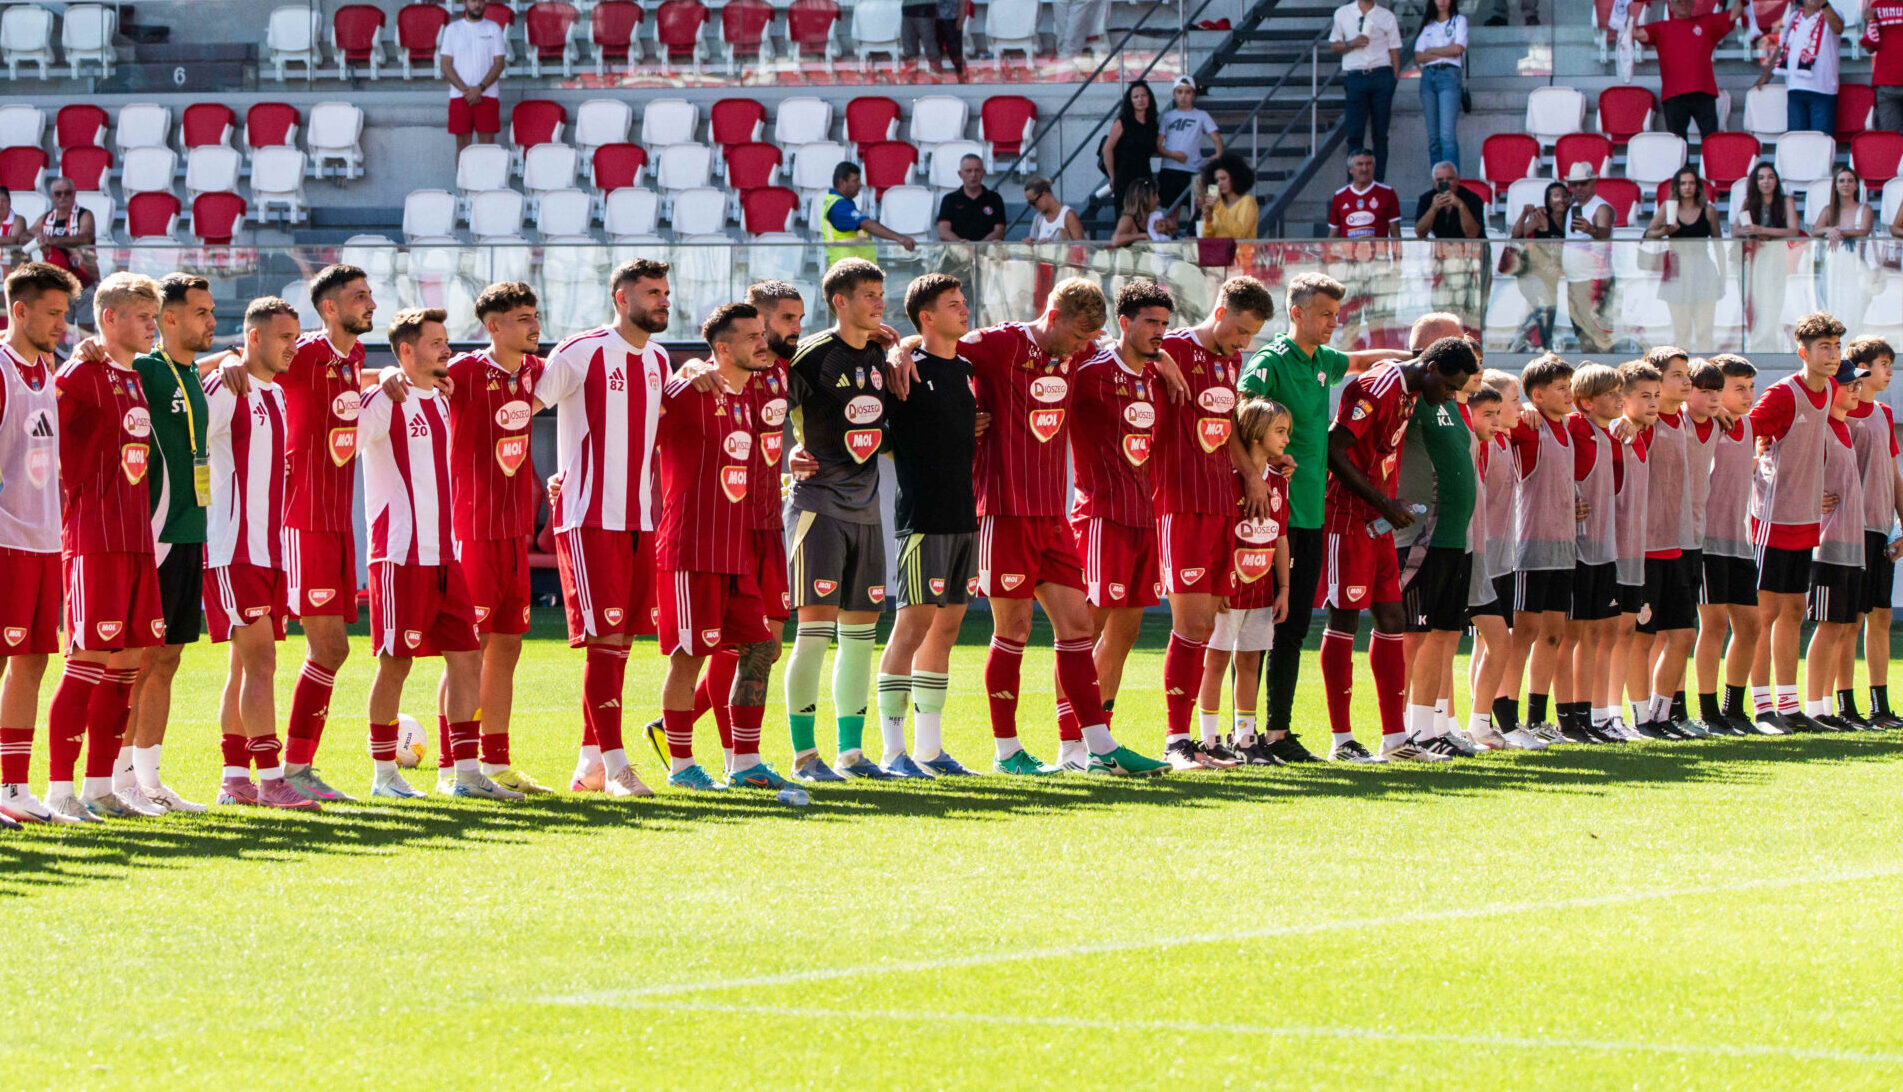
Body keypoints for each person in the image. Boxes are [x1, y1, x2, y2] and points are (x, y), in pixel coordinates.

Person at [956, 278, 1169, 776]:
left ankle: (1095, 746)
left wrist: (1167, 360)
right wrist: (908, 359)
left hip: (1054, 516)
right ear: (1052, 316)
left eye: (1089, 339)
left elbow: (1130, 349)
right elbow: (935, 348)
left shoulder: (1078, 354)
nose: (1082, 347)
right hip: (1004, 511)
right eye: (1077, 336)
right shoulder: (997, 344)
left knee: (1076, 627)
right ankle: (1007, 753)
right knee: (1013, 628)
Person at [536, 259, 714, 797]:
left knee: (621, 644)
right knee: (603, 641)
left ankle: (590, 762)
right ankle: (617, 767)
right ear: (621, 298)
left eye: (665, 291)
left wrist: (689, 374)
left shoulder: (660, 358)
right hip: (588, 518)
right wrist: (555, 473)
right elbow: (523, 406)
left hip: (639, 519)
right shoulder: (580, 351)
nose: (663, 300)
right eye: (651, 293)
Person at [1235, 273, 1402, 763]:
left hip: (1311, 513)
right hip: (1270, 511)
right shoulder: (1269, 361)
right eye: (1326, 314)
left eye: (1337, 314)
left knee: (1292, 624)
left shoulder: (1323, 361)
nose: (1334, 322)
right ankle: (1242, 732)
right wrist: (1257, 472)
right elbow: (1244, 411)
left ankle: (1276, 732)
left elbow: (1358, 361)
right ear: (1297, 313)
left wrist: (1411, 359)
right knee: (1254, 625)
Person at [358, 308, 518, 801]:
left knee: (469, 659)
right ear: (405, 351)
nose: (446, 350)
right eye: (434, 343)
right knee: (395, 664)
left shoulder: (443, 401)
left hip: (447, 557)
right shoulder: (384, 401)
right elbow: (341, 444)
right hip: (400, 556)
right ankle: (385, 776)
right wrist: (381, 381)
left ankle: (465, 775)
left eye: (447, 341)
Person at [651, 303, 794, 792]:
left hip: (738, 550)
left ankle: (745, 760)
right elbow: (636, 436)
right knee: (688, 657)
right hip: (692, 549)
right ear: (722, 348)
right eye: (753, 337)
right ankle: (681, 766)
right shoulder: (687, 391)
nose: (763, 343)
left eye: (763, 334)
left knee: (760, 647)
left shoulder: (745, 398)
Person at [1318, 336, 1480, 761]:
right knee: (1345, 618)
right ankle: (1342, 740)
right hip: (1347, 518)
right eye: (1448, 386)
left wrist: (1389, 505)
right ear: (1431, 370)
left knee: (1393, 616)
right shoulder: (1380, 386)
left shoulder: (1411, 389)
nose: (1448, 396)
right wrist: (1383, 501)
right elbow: (1333, 448)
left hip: (1379, 523)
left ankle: (1395, 740)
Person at [46, 273, 167, 820]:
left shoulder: (132, 377)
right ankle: (57, 791)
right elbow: (40, 438)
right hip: (93, 541)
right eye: (142, 316)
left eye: (154, 316)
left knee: (128, 664)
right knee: (88, 662)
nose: (152, 325)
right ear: (109, 318)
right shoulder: (80, 374)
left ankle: (100, 787)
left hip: (137, 541)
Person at [782, 259, 897, 782]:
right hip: (818, 509)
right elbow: (766, 408)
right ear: (840, 302)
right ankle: (806, 757)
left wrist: (904, 347)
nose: (878, 302)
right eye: (868, 294)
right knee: (813, 633)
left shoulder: (880, 354)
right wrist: (787, 453)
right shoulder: (812, 358)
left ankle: (851, 754)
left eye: (880, 293)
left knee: (860, 637)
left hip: (867, 513)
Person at [1153, 277, 1273, 769]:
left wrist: (1252, 475)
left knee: (1205, 625)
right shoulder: (1172, 344)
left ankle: (1195, 739)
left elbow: (1224, 431)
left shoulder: (1229, 360)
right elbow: (1107, 349)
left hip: (1219, 502)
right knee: (1188, 625)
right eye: (1240, 330)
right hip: (1177, 502)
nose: (1243, 343)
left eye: (1251, 336)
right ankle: (1175, 739)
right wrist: (1158, 359)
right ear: (1220, 308)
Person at [438, 282, 552, 794]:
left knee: (507, 647)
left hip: (514, 536)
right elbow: (411, 379)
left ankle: (495, 764)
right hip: (472, 532)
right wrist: (396, 374)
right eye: (524, 318)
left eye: (535, 315)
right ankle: (448, 766)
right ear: (494, 327)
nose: (534, 325)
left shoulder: (535, 372)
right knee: (469, 649)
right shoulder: (463, 371)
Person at [203, 297, 311, 809]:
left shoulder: (277, 394)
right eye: (284, 337)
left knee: (245, 668)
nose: (293, 345)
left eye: (296, 336)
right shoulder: (227, 386)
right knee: (262, 663)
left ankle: (234, 778)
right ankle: (269, 779)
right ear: (252, 337)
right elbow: (185, 442)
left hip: (268, 552)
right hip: (233, 548)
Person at [277, 265, 379, 803]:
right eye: (359, 297)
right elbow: (242, 363)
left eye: (369, 295)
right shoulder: (308, 352)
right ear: (330, 309)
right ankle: (289, 768)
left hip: (339, 524)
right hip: (303, 521)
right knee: (328, 648)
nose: (371, 304)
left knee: (332, 651)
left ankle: (293, 767)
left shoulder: (352, 357)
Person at [876, 274, 984, 777]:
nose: (964, 310)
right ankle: (892, 752)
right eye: (953, 305)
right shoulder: (905, 368)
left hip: (963, 517)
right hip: (922, 518)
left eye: (964, 303)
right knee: (911, 628)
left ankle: (929, 749)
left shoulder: (964, 368)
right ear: (926, 317)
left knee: (946, 630)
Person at [120, 273, 216, 814]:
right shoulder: (147, 370)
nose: (211, 320)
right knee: (137, 659)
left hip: (188, 530)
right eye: (201, 312)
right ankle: (117, 777)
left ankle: (150, 777)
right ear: (169, 319)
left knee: (169, 658)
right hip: (152, 535)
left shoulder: (192, 374)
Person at [1065, 286, 1165, 770]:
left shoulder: (1154, 375)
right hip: (1101, 516)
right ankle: (1071, 744)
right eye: (1151, 322)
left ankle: (1101, 736)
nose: (1159, 333)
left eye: (1165, 324)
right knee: (1084, 628)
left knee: (1124, 634)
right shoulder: (1088, 372)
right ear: (1123, 322)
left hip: (1144, 517)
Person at [0, 263, 80, 826]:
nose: (61, 324)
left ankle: (12, 787)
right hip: (5, 540)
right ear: (19, 310)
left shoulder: (47, 369)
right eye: (51, 313)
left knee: (30, 663)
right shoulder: (2, 370)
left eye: (65, 314)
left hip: (44, 541)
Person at [1749, 312, 1845, 733]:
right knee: (1762, 614)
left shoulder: (1833, 389)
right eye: (1825, 347)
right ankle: (1761, 707)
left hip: (1806, 518)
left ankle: (1788, 705)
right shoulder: (1782, 394)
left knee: (1792, 610)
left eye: (1837, 346)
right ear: (1802, 352)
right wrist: (1759, 466)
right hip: (1772, 517)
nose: (1833, 354)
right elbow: (1744, 434)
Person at [1391, 314, 1479, 755]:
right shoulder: (1410, 393)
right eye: (1456, 341)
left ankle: (1430, 728)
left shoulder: (1448, 398)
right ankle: (1398, 730)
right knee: (1412, 633)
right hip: (1422, 534)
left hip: (1454, 536)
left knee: (1444, 633)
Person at [1197, 399, 1292, 765]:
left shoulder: (1278, 483)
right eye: (1279, 432)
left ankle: (1246, 738)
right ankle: (1208, 739)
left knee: (1250, 659)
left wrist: (1283, 588)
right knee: (1216, 660)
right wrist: (1217, 580)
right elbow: (1215, 535)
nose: (1286, 440)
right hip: (1228, 588)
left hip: (1262, 589)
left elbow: (1280, 537)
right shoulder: (1226, 478)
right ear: (1254, 434)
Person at [1497, 353, 1575, 743]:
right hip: (1529, 546)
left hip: (1564, 547)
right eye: (1561, 388)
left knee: (1553, 635)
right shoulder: (1527, 426)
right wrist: (1521, 408)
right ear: (1538, 395)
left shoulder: (1570, 429)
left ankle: (1536, 718)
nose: (1570, 394)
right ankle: (1505, 718)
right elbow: (1494, 425)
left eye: (1570, 387)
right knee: (1523, 631)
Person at [1632, 348, 1703, 739]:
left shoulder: (1686, 421)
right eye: (1676, 374)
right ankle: (1640, 718)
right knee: (1642, 637)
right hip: (1644, 549)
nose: (1686, 380)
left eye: (1686, 373)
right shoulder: (1641, 425)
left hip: (1682, 546)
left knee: (1683, 634)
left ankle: (1663, 715)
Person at [1693, 354, 1765, 733]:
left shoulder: (1749, 425)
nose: (1749, 394)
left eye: (1751, 387)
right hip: (1706, 540)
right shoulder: (1706, 424)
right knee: (1714, 624)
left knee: (1750, 626)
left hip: (1739, 541)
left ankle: (1733, 708)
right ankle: (1707, 712)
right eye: (1739, 388)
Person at [1803, 361, 1868, 725]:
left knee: (1844, 627)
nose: (1856, 390)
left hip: (1851, 546)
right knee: (1828, 626)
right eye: (1849, 385)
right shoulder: (1820, 430)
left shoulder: (1844, 428)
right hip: (1827, 547)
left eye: (1858, 385)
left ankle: (1827, 707)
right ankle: (1814, 707)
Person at [1601, 359, 1657, 743]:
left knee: (1625, 632)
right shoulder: (1614, 434)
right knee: (1607, 634)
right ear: (1622, 400)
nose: (1654, 402)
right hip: (1610, 551)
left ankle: (1613, 715)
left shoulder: (1643, 433)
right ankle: (1600, 713)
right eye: (1644, 396)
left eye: (1658, 395)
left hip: (1635, 552)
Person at [1633, 0, 1746, 140]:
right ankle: (1683, 164)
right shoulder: (1660, 28)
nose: (1683, 4)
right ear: (1670, 5)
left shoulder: (1707, 23)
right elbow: (1638, 34)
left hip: (1703, 92)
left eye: (1687, 1)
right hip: (1673, 95)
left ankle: (1710, 163)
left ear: (1693, 4)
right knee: (1677, 144)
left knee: (1711, 140)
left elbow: (1733, 15)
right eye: (1679, 1)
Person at [1645, 166, 1725, 353]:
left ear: (1697, 186)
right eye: (1683, 183)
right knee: (1681, 330)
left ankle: (1707, 375)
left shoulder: (1708, 211)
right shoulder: (1668, 207)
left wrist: (1723, 275)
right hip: (1677, 268)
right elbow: (1648, 233)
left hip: (1703, 268)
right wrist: (1664, 231)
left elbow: (1719, 245)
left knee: (1705, 329)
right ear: (1677, 187)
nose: (1687, 187)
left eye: (1691, 183)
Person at [1329, 0, 1403, 181]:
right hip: (1356, 76)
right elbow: (1334, 45)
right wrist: (1351, 43)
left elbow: (1394, 50)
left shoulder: (1386, 16)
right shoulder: (1343, 13)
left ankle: (1378, 184)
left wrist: (1393, 78)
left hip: (1381, 74)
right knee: (1354, 133)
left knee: (1380, 134)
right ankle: (1353, 185)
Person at [1755, 0, 1844, 135]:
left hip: (1822, 90)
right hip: (1795, 88)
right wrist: (1767, 74)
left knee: (1820, 143)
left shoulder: (1834, 13)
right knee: (1796, 141)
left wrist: (1824, 5)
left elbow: (1838, 28)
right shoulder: (1793, 17)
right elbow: (1781, 47)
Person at [1560, 162, 1614, 354]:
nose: (1578, 188)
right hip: (1576, 280)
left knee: (1598, 334)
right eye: (1574, 185)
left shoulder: (1601, 208)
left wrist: (1590, 229)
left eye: (1583, 184)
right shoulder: (1573, 207)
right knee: (1582, 332)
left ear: (1592, 183)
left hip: (1594, 279)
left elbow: (1605, 233)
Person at [1509, 181, 1570, 352]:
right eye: (1556, 196)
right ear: (1548, 200)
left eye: (1564, 195)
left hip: (1552, 276)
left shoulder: (1570, 219)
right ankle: (1542, 348)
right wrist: (1524, 214)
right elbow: (1517, 235)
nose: (1561, 200)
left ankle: (1523, 340)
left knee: (1548, 314)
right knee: (1545, 311)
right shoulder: (1542, 218)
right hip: (1533, 274)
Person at [822, 162, 919, 268]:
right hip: (848, 271)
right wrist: (900, 238)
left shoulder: (840, 202)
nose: (859, 184)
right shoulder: (839, 206)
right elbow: (866, 224)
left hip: (854, 269)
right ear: (842, 182)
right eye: (855, 180)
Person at [440, 0, 507, 153]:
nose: (477, 5)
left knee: (487, 146)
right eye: (473, 0)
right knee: (463, 147)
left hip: (487, 95)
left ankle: (487, 178)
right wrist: (467, 91)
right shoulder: (452, 29)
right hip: (460, 96)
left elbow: (499, 64)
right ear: (464, 2)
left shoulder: (493, 28)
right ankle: (463, 178)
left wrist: (480, 88)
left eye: (480, 1)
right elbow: (445, 65)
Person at [1414, 0, 1469, 172]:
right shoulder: (1428, 25)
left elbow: (1458, 49)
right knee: (1433, 138)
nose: (1442, 2)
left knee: (1447, 136)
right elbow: (1418, 57)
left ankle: (1451, 183)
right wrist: (1445, 50)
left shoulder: (1458, 20)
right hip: (1428, 77)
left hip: (1449, 75)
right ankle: (1437, 182)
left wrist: (1432, 51)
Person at [1158, 76, 1225, 212]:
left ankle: (1195, 233)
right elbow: (1158, 145)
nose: (1183, 96)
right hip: (1170, 169)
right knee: (1171, 212)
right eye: (1180, 92)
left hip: (1193, 170)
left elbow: (1217, 139)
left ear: (1193, 95)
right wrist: (1174, 155)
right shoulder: (1167, 116)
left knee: (1198, 209)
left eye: (1188, 92)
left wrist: (1218, 154)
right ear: (1174, 94)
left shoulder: (1201, 115)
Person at [31, 179, 96, 301]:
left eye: (67, 193)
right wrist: (39, 239)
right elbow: (24, 237)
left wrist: (52, 240)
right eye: (58, 193)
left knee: (85, 320)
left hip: (83, 281)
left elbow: (85, 237)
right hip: (56, 284)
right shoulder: (46, 218)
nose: (63, 197)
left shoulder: (84, 215)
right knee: (58, 320)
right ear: (52, 196)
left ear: (74, 194)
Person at [1102, 81, 1161, 210]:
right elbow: (1107, 149)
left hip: (1144, 175)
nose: (1140, 99)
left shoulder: (1153, 124)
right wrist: (1112, 177)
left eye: (1144, 95)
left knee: (1145, 214)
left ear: (1149, 98)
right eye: (1136, 97)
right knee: (1125, 216)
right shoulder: (1122, 122)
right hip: (1124, 176)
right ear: (1130, 101)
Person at [1327, 149, 1401, 239]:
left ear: (1374, 167)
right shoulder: (1340, 195)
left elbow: (1395, 235)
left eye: (1369, 164)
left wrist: (1397, 253)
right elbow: (1333, 235)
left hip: (1378, 252)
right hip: (1349, 253)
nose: (1364, 169)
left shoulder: (1388, 193)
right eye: (1360, 164)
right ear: (1350, 169)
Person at [935, 155, 1007, 243]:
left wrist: (980, 246)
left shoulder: (995, 199)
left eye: (977, 170)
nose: (973, 175)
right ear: (960, 174)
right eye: (968, 171)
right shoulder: (949, 199)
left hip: (987, 252)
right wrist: (961, 245)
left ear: (983, 173)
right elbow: (943, 231)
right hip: (957, 252)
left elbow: (999, 231)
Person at [1412, 161, 1484, 240]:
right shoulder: (1426, 199)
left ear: (1457, 179)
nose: (1445, 183)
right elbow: (1420, 233)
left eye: (1449, 179)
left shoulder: (1472, 198)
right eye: (1440, 180)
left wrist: (1461, 206)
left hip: (1472, 248)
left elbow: (1472, 235)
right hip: (1442, 248)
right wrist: (1433, 209)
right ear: (1434, 182)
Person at [1197, 154, 1259, 241]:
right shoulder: (1217, 207)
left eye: (1223, 178)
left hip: (1241, 254)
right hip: (1219, 253)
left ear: (1235, 178)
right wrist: (1208, 220)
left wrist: (1219, 206)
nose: (1219, 183)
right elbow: (1207, 240)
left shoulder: (1247, 201)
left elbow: (1239, 234)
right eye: (1216, 180)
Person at [1868, 0, 1903, 131]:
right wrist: (1869, 22)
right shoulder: (1878, 6)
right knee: (1891, 141)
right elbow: (1870, 47)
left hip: (1886, 83)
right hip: (1887, 83)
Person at [1109, 178, 1173, 247]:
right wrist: (1142, 236)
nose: (1158, 199)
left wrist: (1164, 232)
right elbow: (1116, 240)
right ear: (1143, 198)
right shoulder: (1128, 219)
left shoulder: (1153, 218)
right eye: (1154, 195)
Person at [1025, 175, 1085, 242]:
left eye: (1033, 203)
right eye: (1029, 203)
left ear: (1044, 195)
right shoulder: (1038, 218)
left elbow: (1081, 248)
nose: (1032, 206)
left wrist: (1052, 245)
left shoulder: (1069, 216)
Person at [0, 187, 27, 253]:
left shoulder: (18, 220)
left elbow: (14, 240)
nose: (0, 204)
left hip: (14, 259)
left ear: (9, 203)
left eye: (3, 201)